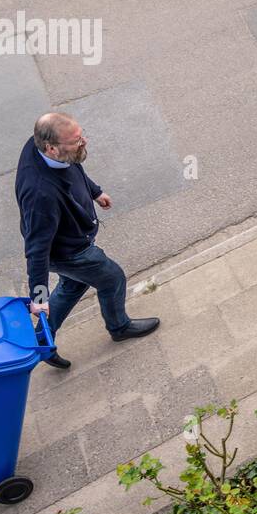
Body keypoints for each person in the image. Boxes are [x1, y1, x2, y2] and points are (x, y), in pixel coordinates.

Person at [15, 112, 159, 369]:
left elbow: (72, 165)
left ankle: (41, 342)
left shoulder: (44, 148)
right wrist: (38, 298)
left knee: (73, 286)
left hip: (68, 243)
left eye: (81, 137)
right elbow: (36, 250)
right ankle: (119, 327)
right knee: (112, 278)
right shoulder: (41, 195)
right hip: (70, 252)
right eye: (77, 142)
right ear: (51, 148)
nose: (84, 143)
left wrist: (94, 191)